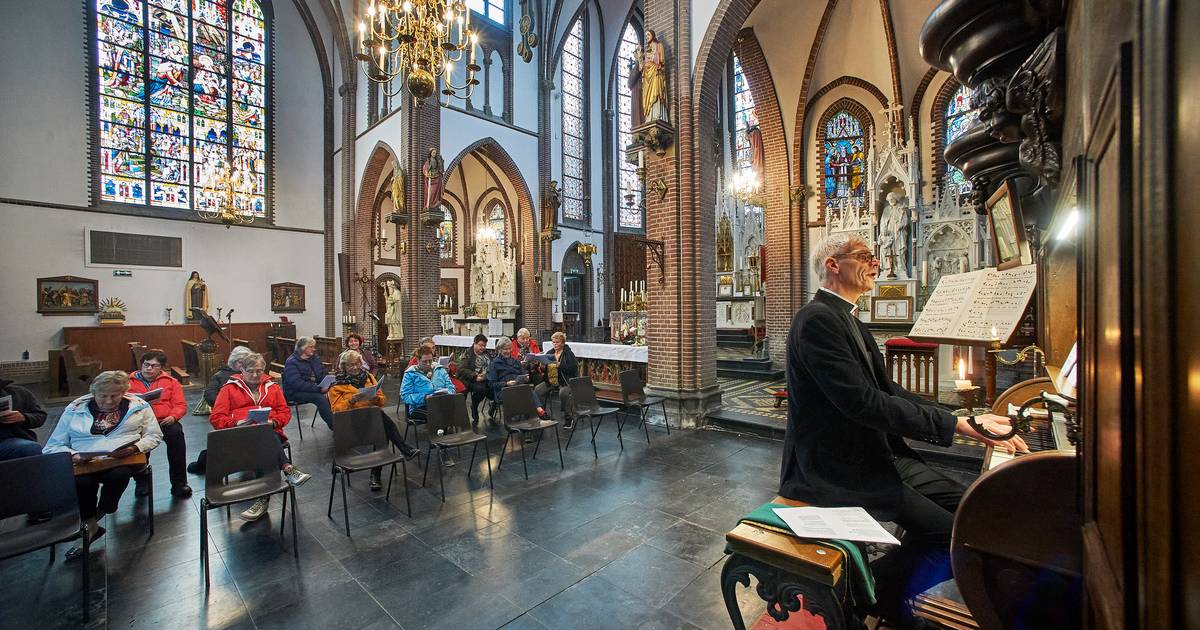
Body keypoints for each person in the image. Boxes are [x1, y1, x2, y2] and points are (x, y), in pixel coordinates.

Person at [781, 233, 1028, 629]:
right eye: (864, 256)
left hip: (876, 454)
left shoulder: (846, 317)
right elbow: (862, 403)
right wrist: (959, 425)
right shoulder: (816, 321)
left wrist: (959, 417)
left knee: (972, 506)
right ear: (832, 265)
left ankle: (890, 591)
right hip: (837, 467)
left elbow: (887, 390)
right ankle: (868, 595)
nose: (875, 263)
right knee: (950, 537)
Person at [44, 371, 163, 559]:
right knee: (83, 483)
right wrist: (74, 455)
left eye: (115, 395)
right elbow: (53, 446)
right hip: (85, 461)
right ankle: (91, 524)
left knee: (118, 475)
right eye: (103, 396)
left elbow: (154, 435)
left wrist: (134, 447)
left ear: (124, 392)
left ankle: (99, 514)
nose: (108, 401)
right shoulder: (75, 409)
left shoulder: (138, 406)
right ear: (94, 393)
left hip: (123, 458)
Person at [211, 353, 312, 521]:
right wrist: (236, 422)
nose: (256, 375)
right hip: (239, 435)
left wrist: (274, 421)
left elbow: (285, 412)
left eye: (260, 371)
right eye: (251, 371)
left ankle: (263, 500)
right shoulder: (229, 389)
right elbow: (216, 418)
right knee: (263, 442)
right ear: (241, 370)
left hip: (270, 433)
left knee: (264, 434)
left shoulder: (272, 387)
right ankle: (287, 467)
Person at [327, 349, 419, 491]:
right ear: (344, 367)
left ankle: (376, 475)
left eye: (357, 364)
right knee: (382, 424)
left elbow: (382, 401)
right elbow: (336, 410)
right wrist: (351, 401)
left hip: (370, 419)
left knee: (381, 424)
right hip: (350, 423)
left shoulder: (369, 378)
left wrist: (376, 398)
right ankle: (403, 449)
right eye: (350, 365)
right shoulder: (337, 386)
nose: (355, 367)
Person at [127, 350, 190, 498]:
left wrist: (174, 416)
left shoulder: (171, 382)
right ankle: (142, 481)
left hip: (164, 421)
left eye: (154, 366)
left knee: (177, 437)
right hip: (139, 424)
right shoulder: (129, 382)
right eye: (146, 365)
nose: (149, 368)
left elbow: (180, 404)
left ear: (160, 368)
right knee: (137, 446)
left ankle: (179, 483)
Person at [188, 345, 253, 475]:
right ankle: (206, 460)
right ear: (235, 362)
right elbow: (210, 395)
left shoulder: (251, 375)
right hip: (229, 415)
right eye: (243, 362)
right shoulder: (221, 375)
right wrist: (230, 403)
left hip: (249, 415)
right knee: (227, 439)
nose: (246, 365)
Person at [282, 336, 334, 430]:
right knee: (319, 398)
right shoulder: (292, 362)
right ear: (302, 348)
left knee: (335, 391)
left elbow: (322, 373)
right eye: (311, 347)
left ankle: (342, 420)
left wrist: (327, 383)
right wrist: (319, 389)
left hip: (315, 388)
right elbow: (296, 383)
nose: (314, 349)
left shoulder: (315, 359)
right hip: (295, 393)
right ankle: (335, 426)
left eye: (314, 347)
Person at [487, 337, 544, 415]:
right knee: (521, 394)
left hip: (517, 387)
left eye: (509, 348)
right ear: (499, 350)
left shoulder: (515, 361)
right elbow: (492, 384)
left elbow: (523, 374)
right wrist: (506, 383)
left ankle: (540, 411)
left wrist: (526, 378)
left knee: (528, 390)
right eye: (505, 349)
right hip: (503, 390)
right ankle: (532, 415)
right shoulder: (494, 364)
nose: (508, 351)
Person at [537, 331, 579, 428]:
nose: (555, 344)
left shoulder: (568, 353)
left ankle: (568, 417)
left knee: (563, 393)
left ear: (563, 343)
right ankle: (542, 414)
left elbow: (572, 369)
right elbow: (545, 370)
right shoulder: (550, 353)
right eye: (553, 342)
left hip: (565, 381)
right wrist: (542, 367)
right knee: (537, 390)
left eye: (557, 342)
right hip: (551, 381)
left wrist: (560, 365)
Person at [0, 377, 47, 461]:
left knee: (30, 448)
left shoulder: (18, 392)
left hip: (12, 439)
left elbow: (40, 415)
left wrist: (23, 417)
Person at [456, 334, 494, 424]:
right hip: (470, 379)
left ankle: (492, 407)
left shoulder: (487, 354)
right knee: (481, 389)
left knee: (494, 388)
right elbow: (461, 369)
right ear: (474, 344)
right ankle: (475, 406)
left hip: (485, 378)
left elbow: (492, 365)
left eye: (484, 345)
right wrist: (475, 375)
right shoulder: (467, 354)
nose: (483, 348)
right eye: (480, 345)